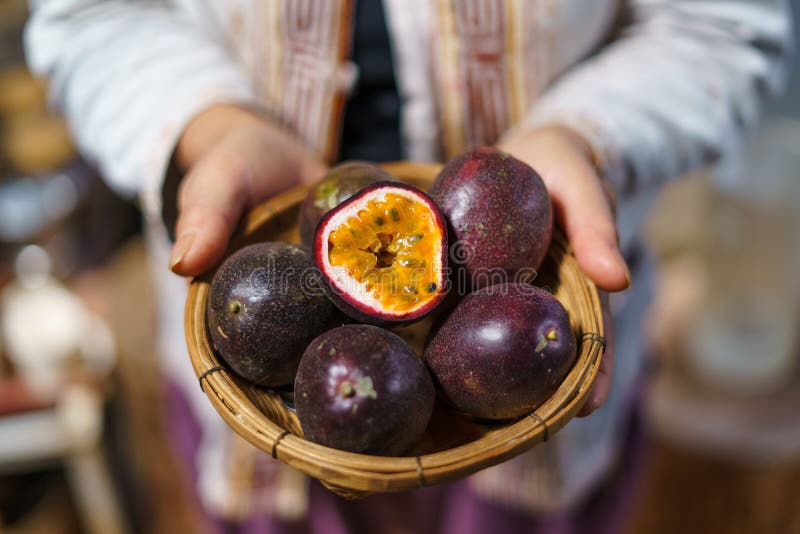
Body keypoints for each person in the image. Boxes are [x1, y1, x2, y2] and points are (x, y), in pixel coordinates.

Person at [25, 0, 792, 532]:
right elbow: (88, 14)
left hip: (538, 437)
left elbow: (724, 25)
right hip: (267, 423)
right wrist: (208, 123)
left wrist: (586, 133)